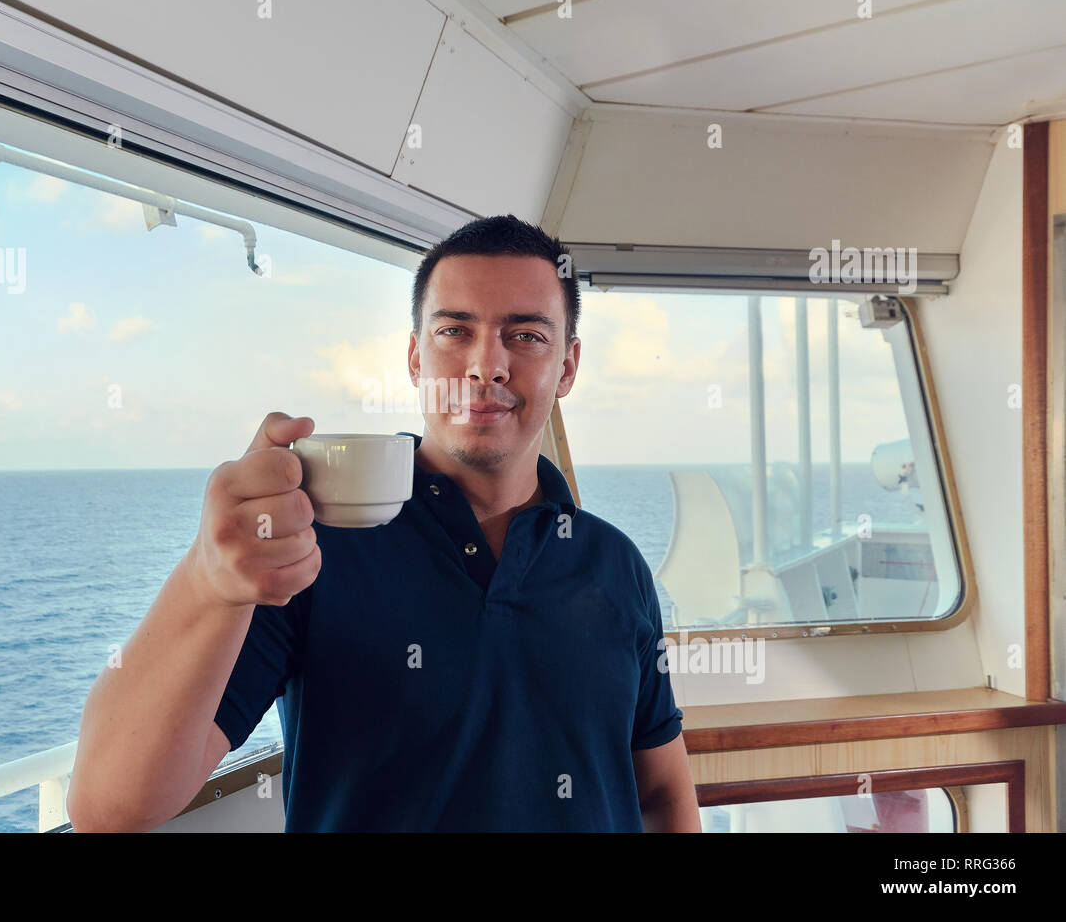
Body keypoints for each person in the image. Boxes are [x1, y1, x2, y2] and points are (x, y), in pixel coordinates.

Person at [66, 214, 700, 831]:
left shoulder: (616, 565)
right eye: (454, 331)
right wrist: (207, 580)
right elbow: (110, 808)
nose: (486, 365)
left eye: (527, 335)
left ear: (567, 366)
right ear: (416, 358)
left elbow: (663, 792)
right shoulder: (308, 550)